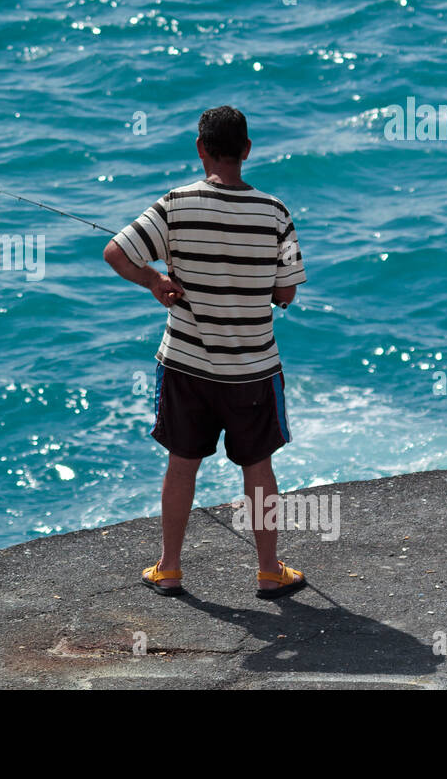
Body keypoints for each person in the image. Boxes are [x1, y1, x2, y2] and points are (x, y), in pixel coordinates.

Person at [102, 106, 308, 600]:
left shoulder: (174, 204)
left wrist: (155, 279)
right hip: (253, 370)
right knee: (257, 468)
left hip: (186, 365)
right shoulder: (275, 213)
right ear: (247, 150)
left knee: (182, 463)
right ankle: (267, 570)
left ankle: (169, 568)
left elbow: (115, 251)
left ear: (200, 149)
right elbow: (287, 293)